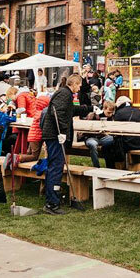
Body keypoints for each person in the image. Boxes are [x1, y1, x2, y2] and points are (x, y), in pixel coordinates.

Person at [40, 73, 90, 215]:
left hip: (54, 134)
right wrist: (61, 132)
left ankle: (52, 198)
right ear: (73, 83)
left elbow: (70, 110)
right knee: (56, 167)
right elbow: (58, 113)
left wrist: (88, 108)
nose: (79, 88)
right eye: (79, 85)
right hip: (55, 135)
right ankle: (52, 203)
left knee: (54, 166)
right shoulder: (65, 94)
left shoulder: (64, 93)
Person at [84, 100, 117, 168]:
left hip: (104, 138)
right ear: (104, 109)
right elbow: (86, 130)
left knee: (116, 140)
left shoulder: (111, 118)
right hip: (92, 137)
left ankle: (111, 166)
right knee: (93, 145)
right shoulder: (93, 115)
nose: (110, 114)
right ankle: (97, 167)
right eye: (108, 112)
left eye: (111, 113)